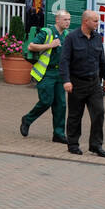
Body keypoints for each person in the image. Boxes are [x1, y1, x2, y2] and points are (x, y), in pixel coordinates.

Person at [60, 9, 105, 157]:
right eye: (95, 20)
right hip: (77, 83)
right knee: (75, 115)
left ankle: (96, 145)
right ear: (85, 21)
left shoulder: (97, 38)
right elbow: (64, 61)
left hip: (94, 83)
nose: (97, 23)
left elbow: (102, 60)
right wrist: (66, 81)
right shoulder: (72, 38)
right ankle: (73, 144)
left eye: (98, 20)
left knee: (99, 112)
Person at [20, 9, 70, 144]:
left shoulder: (66, 35)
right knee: (46, 101)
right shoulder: (47, 32)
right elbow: (31, 46)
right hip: (46, 73)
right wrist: (50, 45)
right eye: (65, 19)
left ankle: (58, 134)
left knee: (61, 104)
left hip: (60, 74)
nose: (68, 22)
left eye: (69, 19)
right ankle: (27, 119)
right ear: (57, 20)